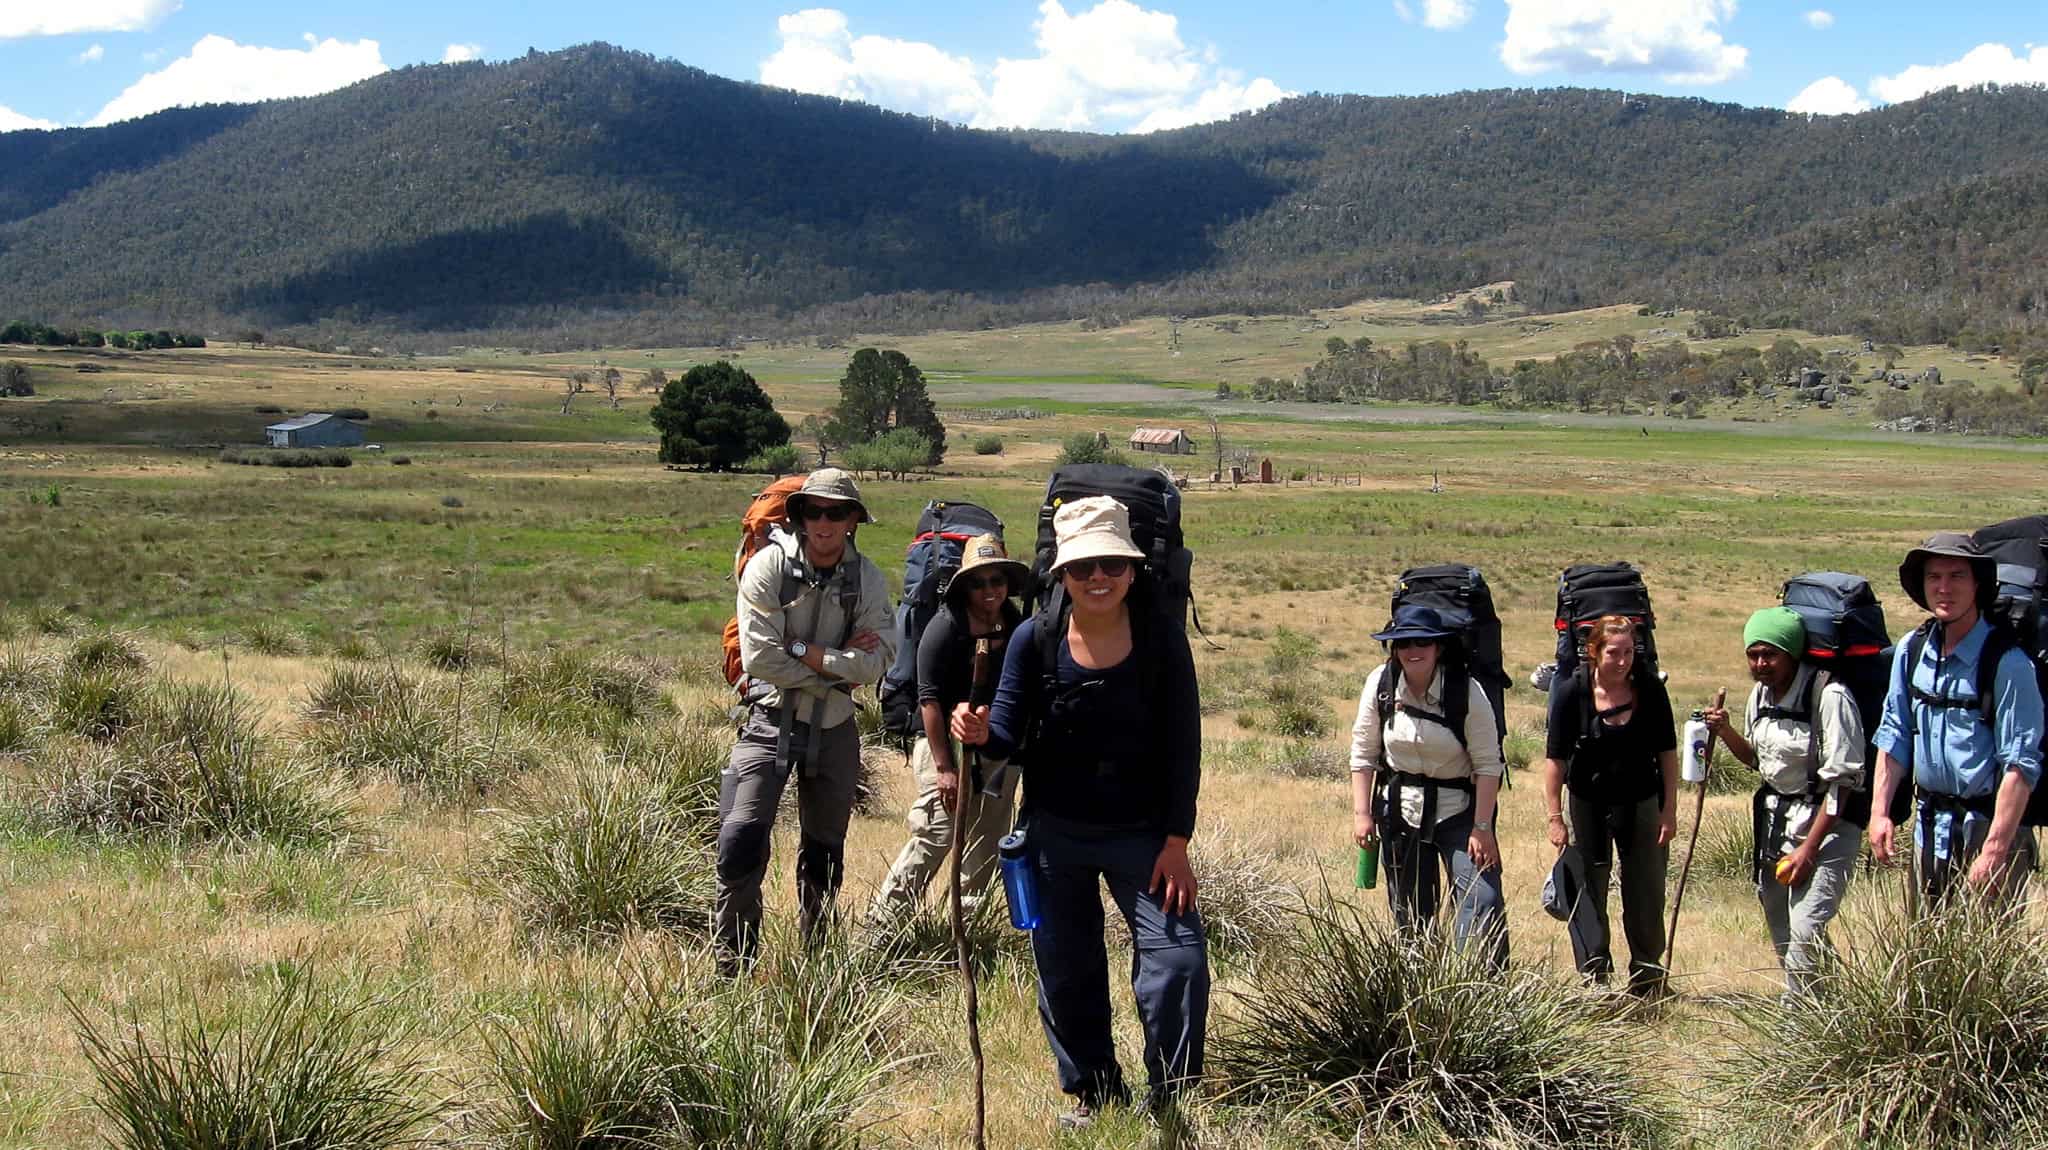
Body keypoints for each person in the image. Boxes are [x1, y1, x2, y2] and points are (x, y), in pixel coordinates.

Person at [953, 495, 1207, 1131]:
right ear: (1061, 573)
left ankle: (1166, 1096)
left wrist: (1177, 841)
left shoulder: (1160, 641)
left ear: (1132, 570)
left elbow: (1184, 746)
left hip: (1145, 836)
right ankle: (1096, 1093)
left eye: (1111, 566)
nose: (1098, 578)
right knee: (1066, 969)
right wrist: (981, 732)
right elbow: (1008, 731)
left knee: (1177, 960)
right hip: (1054, 832)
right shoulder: (1033, 641)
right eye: (1083, 566)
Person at [715, 467, 895, 970]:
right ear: (798, 516)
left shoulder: (870, 579)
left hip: (836, 726)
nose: (824, 521)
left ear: (853, 520)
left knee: (824, 852)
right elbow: (759, 658)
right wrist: (830, 665)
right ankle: (733, 969)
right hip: (768, 720)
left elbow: (878, 660)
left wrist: (798, 651)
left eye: (836, 512)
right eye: (813, 510)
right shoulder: (767, 569)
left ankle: (814, 967)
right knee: (741, 840)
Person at [1867, 532, 2044, 907]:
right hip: (1930, 828)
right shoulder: (1910, 652)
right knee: (1925, 947)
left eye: (1956, 576)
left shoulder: (2009, 664)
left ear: (1978, 584)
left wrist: (1995, 851)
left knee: (1986, 957)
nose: (1944, 588)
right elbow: (1894, 734)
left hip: (1990, 829)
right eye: (1934, 577)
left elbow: (2020, 764)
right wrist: (1880, 813)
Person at [1701, 607, 1865, 997]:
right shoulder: (1760, 695)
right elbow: (1757, 760)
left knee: (1806, 932)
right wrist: (1723, 731)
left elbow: (1842, 785)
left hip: (1827, 831)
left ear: (1791, 653)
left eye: (1770, 654)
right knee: (1784, 932)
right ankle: (1835, 1008)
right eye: (1753, 654)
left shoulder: (1829, 695)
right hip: (1776, 825)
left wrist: (1810, 848)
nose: (1761, 664)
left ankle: (1800, 1027)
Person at [868, 533, 1028, 922]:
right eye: (978, 582)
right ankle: (884, 924)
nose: (989, 590)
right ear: (964, 585)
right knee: (936, 834)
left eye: (997, 581)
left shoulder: (1016, 624)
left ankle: (967, 927)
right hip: (944, 746)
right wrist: (945, 769)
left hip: (998, 749)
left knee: (987, 840)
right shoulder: (946, 627)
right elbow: (929, 699)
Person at [1349, 603, 1508, 969]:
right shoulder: (1381, 683)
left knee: (1481, 900)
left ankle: (1480, 989)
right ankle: (1419, 986)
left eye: (1423, 641)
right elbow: (1363, 752)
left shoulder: (1467, 691)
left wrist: (1482, 829)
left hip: (1461, 812)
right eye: (1403, 643)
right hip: (1401, 811)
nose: (1412, 650)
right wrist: (1362, 815)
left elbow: (1488, 765)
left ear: (1439, 647)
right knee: (1411, 911)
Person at [1541, 615, 1679, 995]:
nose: (1623, 661)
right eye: (1614, 653)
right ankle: (1595, 977)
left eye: (1630, 652)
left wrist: (1669, 810)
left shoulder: (1650, 690)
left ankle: (1648, 977)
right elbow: (1555, 761)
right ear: (1593, 652)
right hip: (1588, 804)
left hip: (1642, 802)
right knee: (1587, 893)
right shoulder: (1573, 693)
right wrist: (1555, 817)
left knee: (1646, 892)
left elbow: (1668, 752)